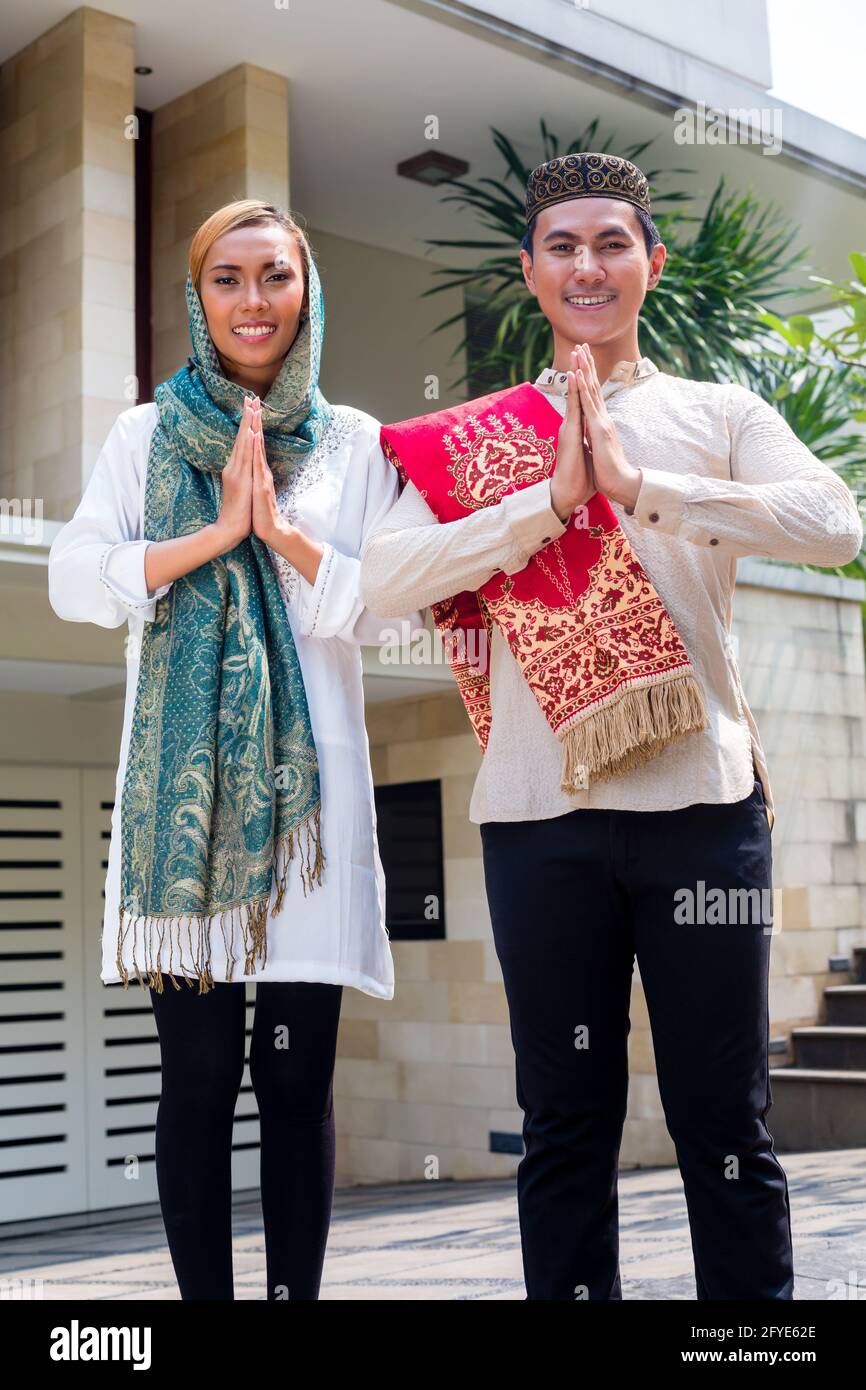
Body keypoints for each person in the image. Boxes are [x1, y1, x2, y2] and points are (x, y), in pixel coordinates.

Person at [359, 153, 863, 1300]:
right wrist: (541, 506)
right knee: (562, 1120)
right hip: (538, 823)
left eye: (609, 243)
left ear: (650, 261)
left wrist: (642, 488)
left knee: (721, 1117)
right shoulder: (469, 441)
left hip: (702, 814)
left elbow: (833, 522)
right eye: (562, 246)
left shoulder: (715, 412)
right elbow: (383, 579)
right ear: (528, 269)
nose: (585, 266)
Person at [48, 199, 423, 1300]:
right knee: (200, 1080)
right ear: (196, 295)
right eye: (227, 278)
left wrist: (283, 539)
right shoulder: (145, 435)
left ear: (307, 291)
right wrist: (209, 538)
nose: (252, 301)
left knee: (295, 1085)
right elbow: (74, 579)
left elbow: (400, 609)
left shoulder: (357, 443)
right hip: (185, 810)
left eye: (274, 275)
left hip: (313, 812)